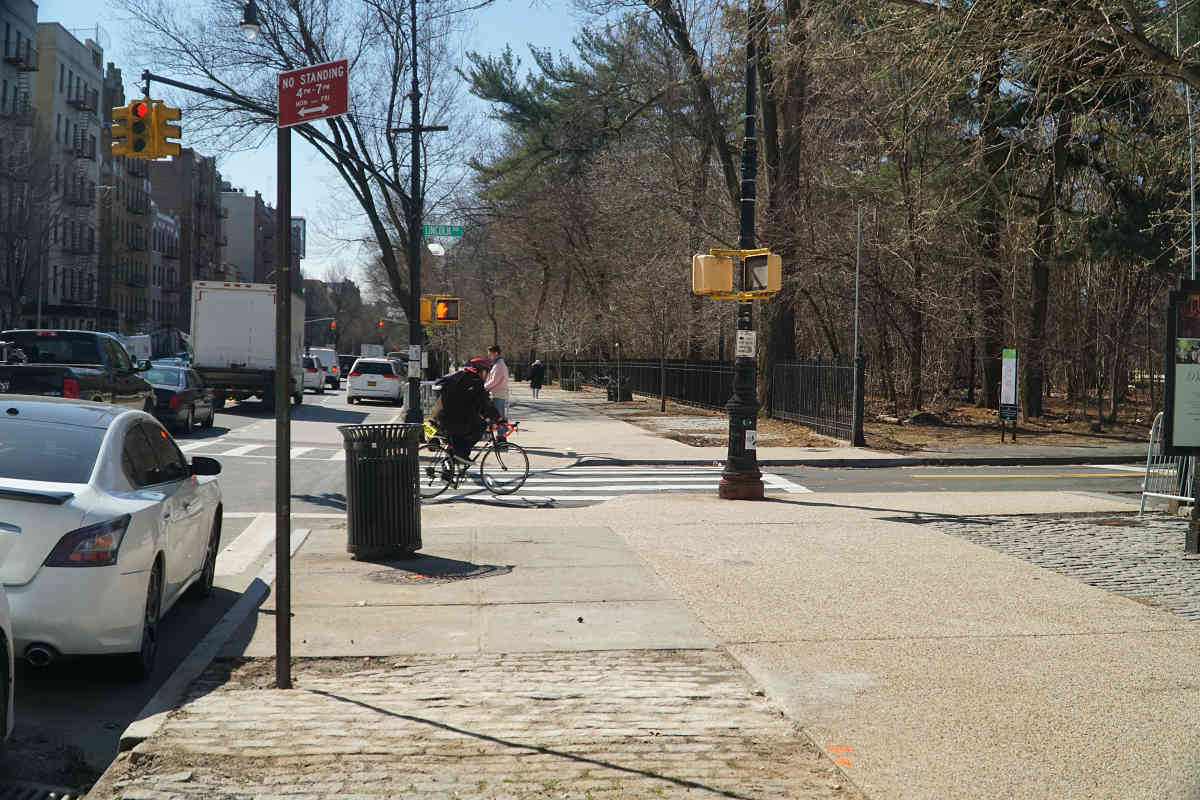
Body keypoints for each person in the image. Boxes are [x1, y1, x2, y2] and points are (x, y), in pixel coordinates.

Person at [429, 357, 501, 466]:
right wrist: (498, 418)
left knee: (456, 441)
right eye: (486, 372)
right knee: (481, 426)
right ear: (480, 371)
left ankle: (448, 469)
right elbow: (485, 403)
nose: (487, 375)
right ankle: (462, 454)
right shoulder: (475, 381)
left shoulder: (459, 376)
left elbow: (475, 403)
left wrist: (486, 413)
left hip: (438, 417)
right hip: (453, 421)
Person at [484, 344, 510, 418]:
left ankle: (502, 426)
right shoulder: (498, 364)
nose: (489, 356)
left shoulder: (499, 365)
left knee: (499, 416)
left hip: (498, 393)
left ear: (496, 353)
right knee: (499, 415)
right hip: (498, 393)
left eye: (490, 354)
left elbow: (494, 380)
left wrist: (484, 387)